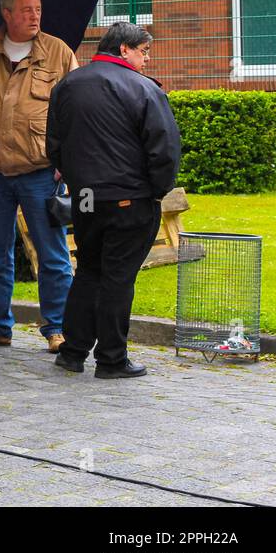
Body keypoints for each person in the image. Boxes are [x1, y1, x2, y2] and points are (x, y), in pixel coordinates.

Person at [47, 22, 180, 379]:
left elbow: (54, 146)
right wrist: (156, 190)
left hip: (86, 198)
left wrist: (76, 182)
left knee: (88, 270)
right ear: (124, 49)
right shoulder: (143, 90)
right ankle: (111, 358)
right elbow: (164, 149)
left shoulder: (67, 86)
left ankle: (72, 352)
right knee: (118, 278)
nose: (147, 60)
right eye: (143, 51)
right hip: (130, 199)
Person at [0, 0, 77, 352]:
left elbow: (77, 110)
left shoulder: (57, 53)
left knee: (52, 255)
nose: (34, 16)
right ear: (6, 13)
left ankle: (59, 328)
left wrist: (64, 160)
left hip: (41, 173)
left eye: (37, 9)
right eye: (26, 10)